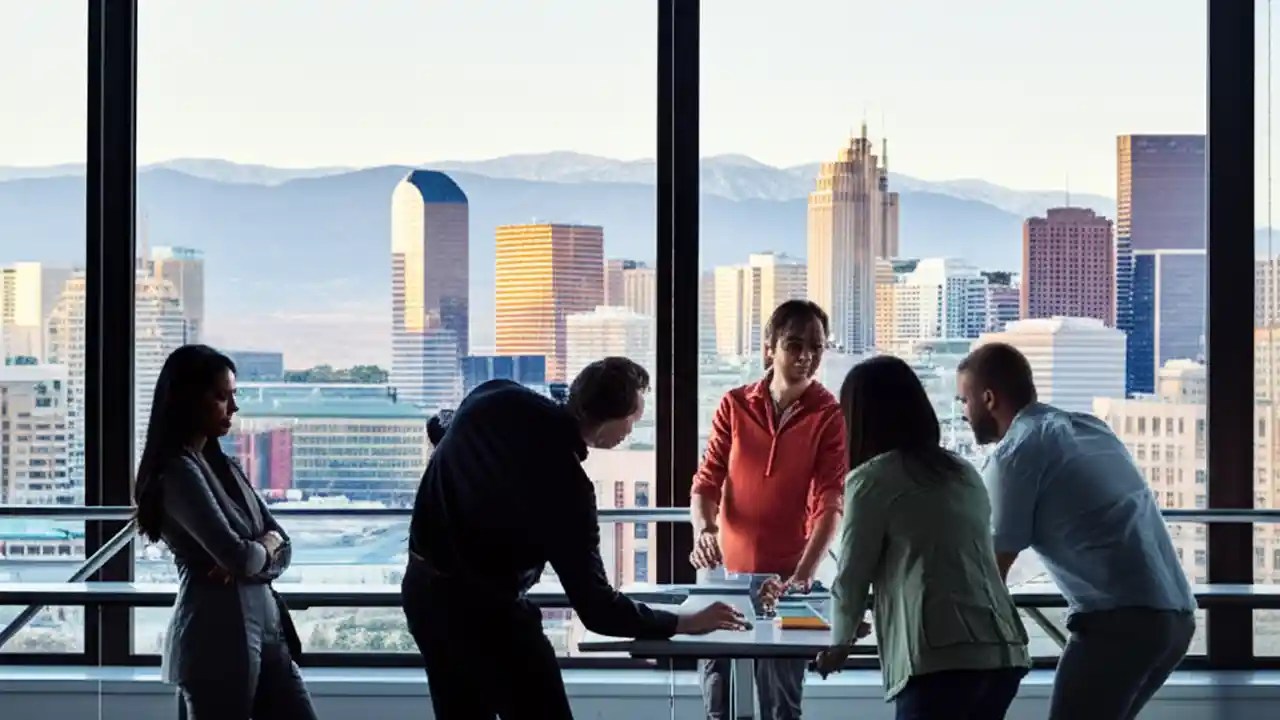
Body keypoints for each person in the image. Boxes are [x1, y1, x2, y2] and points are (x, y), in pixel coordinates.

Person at [404, 357, 747, 720]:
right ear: (608, 425)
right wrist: (682, 621)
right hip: (489, 615)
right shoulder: (567, 489)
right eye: (632, 419)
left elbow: (441, 424)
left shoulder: (497, 396)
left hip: (425, 595)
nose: (632, 430)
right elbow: (598, 608)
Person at [957, 342, 1196, 720]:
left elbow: (993, 568)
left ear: (988, 399)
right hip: (1176, 619)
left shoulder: (1015, 454)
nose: (964, 413)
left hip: (1119, 623)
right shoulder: (1089, 426)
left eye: (964, 401)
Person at [803, 356, 1029, 720]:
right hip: (1004, 651)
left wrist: (839, 645)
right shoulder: (963, 471)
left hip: (939, 658)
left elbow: (852, 577)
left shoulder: (870, 481)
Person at [133, 345, 315, 720]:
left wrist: (261, 549)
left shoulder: (224, 465)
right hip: (216, 633)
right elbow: (240, 556)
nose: (233, 407)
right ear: (187, 400)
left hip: (266, 629)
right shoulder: (178, 472)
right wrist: (261, 548)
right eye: (221, 396)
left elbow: (279, 543)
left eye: (233, 395)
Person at [690, 300, 848, 720]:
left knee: (782, 707)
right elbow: (706, 482)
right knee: (718, 702)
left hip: (787, 581)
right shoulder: (734, 405)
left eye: (816, 346)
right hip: (723, 577)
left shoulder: (828, 414)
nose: (806, 356)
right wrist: (705, 531)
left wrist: (805, 574)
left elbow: (831, 502)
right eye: (794, 345)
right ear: (769, 348)